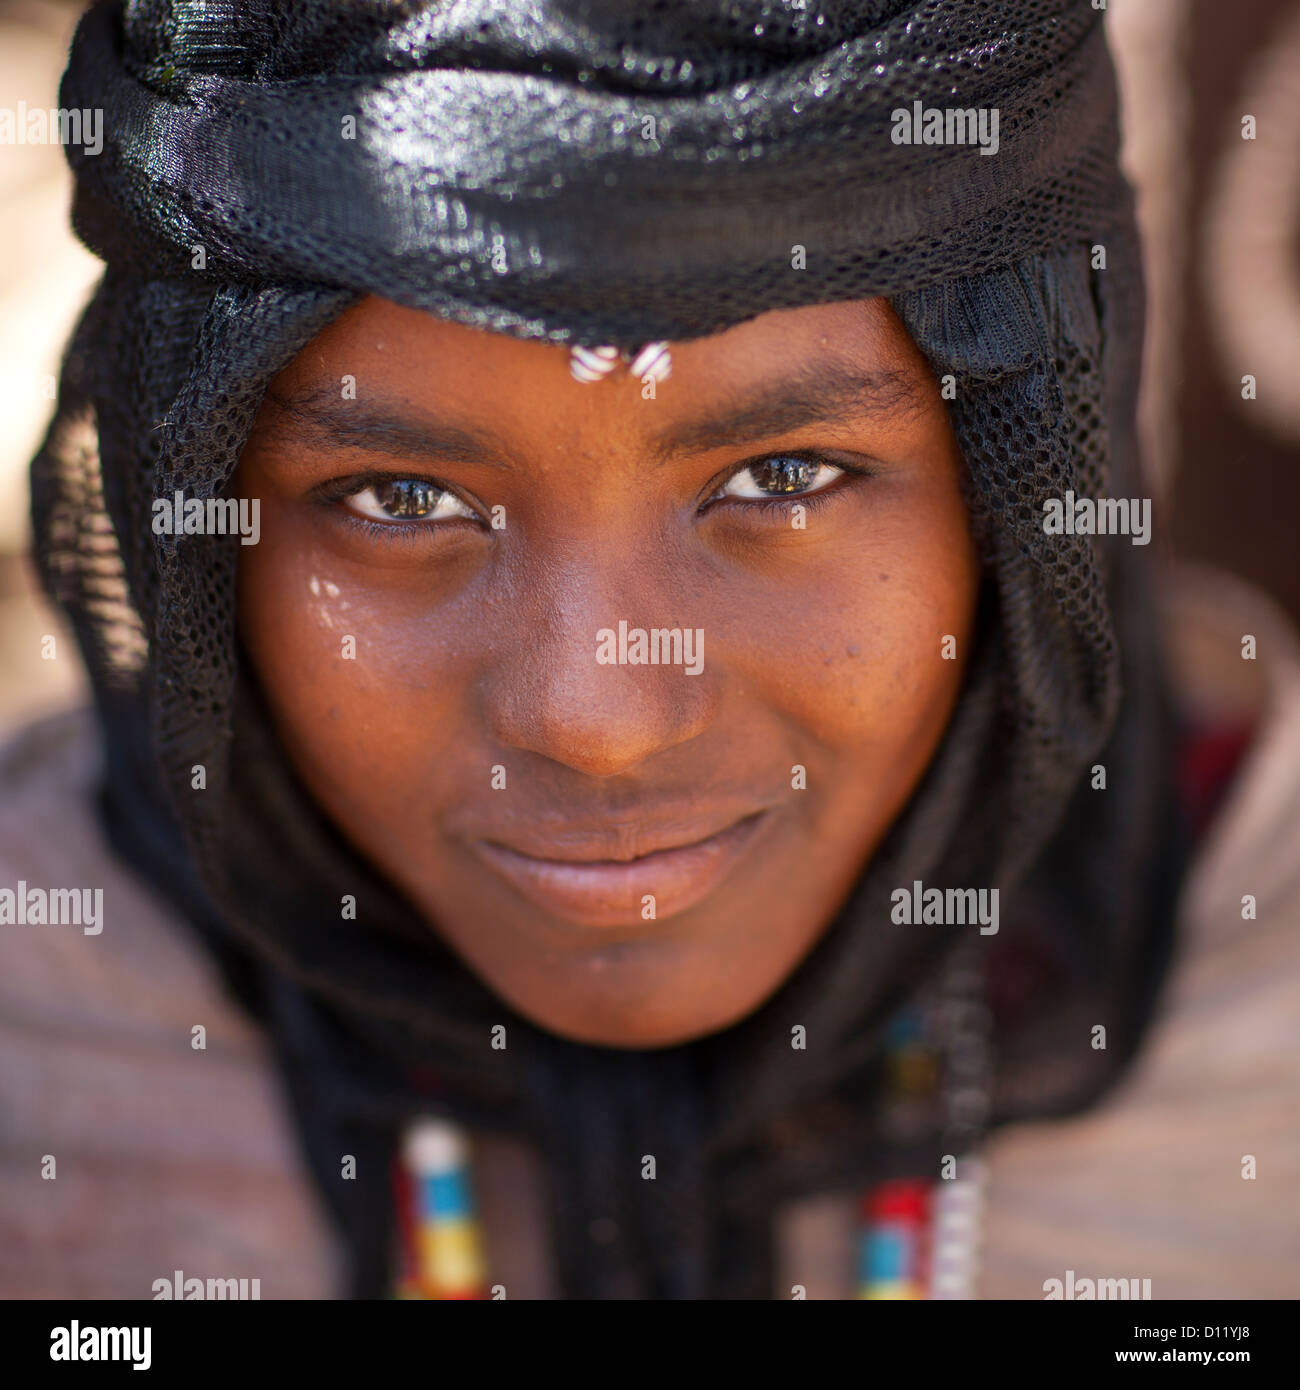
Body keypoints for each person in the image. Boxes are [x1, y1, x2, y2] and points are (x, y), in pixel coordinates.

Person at [2, 0, 1297, 1300]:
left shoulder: (1266, 1008)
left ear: (1016, 485)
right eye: (399, 499)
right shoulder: (44, 1072)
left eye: (783, 474)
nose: (595, 716)